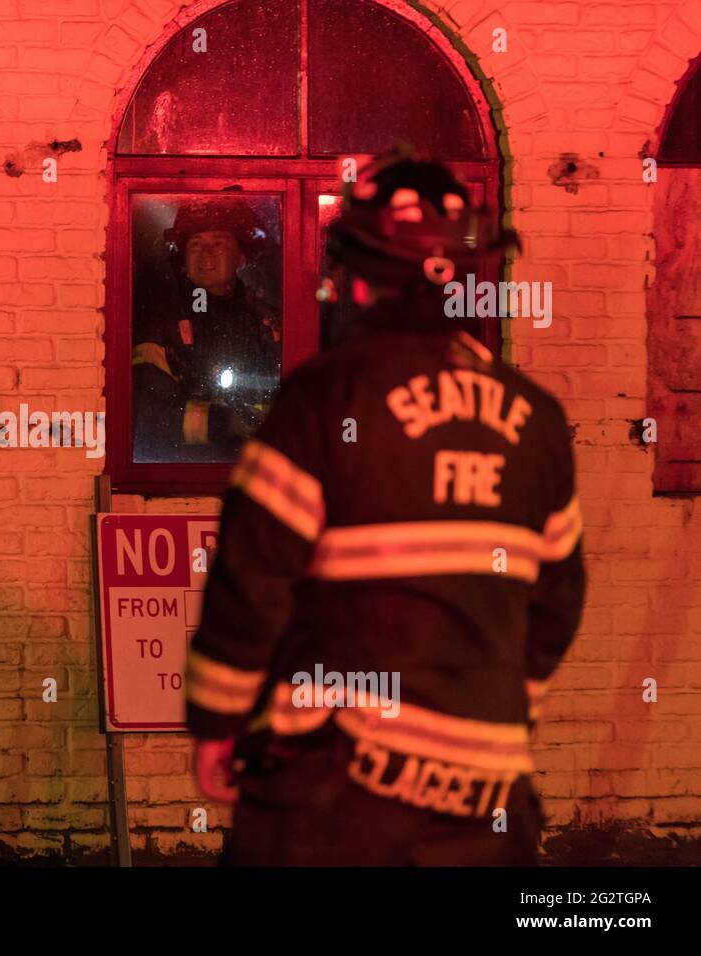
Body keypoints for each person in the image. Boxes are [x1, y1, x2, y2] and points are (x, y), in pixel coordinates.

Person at [184, 150, 586, 865]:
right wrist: (487, 710)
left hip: (334, 801)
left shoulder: (327, 398)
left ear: (363, 279)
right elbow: (557, 603)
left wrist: (217, 722)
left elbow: (252, 581)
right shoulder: (538, 419)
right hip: (486, 807)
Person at [132, 198, 282, 462]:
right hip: (190, 471)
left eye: (219, 242)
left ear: (240, 256)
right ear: (183, 257)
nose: (206, 253)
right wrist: (225, 423)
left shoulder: (269, 322)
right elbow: (148, 415)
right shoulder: (163, 323)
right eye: (195, 243)